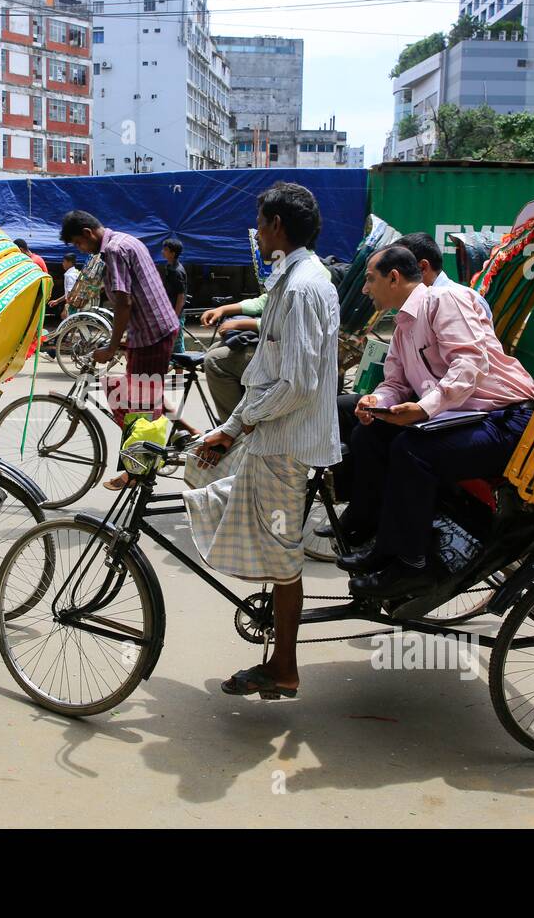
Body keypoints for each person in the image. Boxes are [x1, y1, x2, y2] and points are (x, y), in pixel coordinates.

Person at [188, 182, 340, 700]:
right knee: (210, 481)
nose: (257, 230)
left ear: (276, 225)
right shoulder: (295, 278)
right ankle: (278, 654)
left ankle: (284, 668)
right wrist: (234, 429)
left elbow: (296, 382)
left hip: (285, 443)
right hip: (274, 437)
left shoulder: (301, 286)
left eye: (260, 221)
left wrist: (237, 424)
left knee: (283, 560)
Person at [337, 245, 534, 603]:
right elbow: (395, 383)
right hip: (463, 416)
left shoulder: (444, 301)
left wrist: (422, 409)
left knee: (412, 451)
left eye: (370, 279)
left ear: (394, 277)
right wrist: (378, 402)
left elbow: (468, 366)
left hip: (507, 418)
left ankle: (412, 564)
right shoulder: (401, 325)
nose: (365, 289)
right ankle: (379, 538)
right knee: (369, 433)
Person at [61, 210, 181, 491]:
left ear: (89, 234)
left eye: (79, 243)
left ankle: (134, 470)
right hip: (153, 329)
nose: (81, 249)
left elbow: (124, 302)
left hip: (151, 334)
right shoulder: (126, 240)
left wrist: (112, 346)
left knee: (135, 405)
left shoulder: (113, 250)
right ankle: (185, 433)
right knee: (146, 396)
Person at [200, 291, 266, 423]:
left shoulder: (295, 285)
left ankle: (234, 430)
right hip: (268, 343)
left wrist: (240, 324)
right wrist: (222, 310)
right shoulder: (284, 280)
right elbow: (261, 302)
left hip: (281, 353)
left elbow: (280, 322)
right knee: (214, 349)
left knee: (214, 360)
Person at [161, 237, 187, 355]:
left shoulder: (177, 271)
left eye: (166, 250)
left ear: (173, 253)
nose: (163, 252)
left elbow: (181, 296)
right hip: (169, 311)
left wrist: (175, 317)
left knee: (177, 347)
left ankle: (179, 374)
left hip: (176, 314)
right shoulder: (169, 267)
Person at [47, 253, 81, 319]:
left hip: (72, 306)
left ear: (70, 262)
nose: (63, 264)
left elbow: (70, 294)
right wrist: (57, 301)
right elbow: (68, 293)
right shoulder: (76, 272)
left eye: (64, 262)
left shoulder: (69, 275)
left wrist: (65, 309)